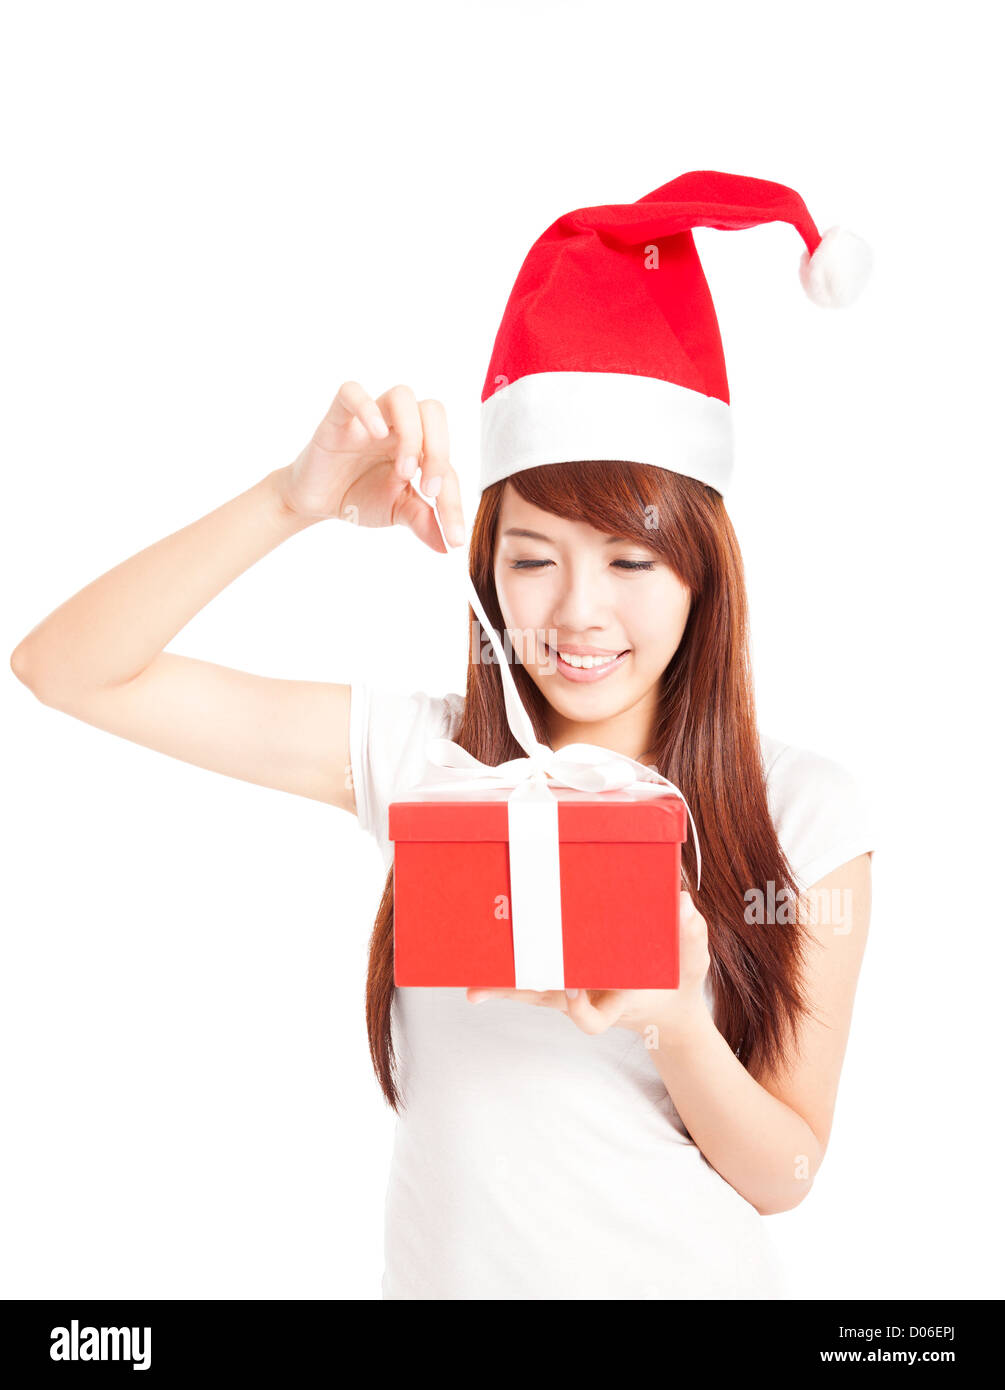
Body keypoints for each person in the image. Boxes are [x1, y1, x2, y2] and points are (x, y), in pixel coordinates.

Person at [11, 170, 878, 1301]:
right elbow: (66, 668)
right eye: (533, 558)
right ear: (484, 564)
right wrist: (294, 498)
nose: (577, 613)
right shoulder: (421, 766)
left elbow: (785, 1171)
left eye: (630, 560)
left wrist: (675, 1020)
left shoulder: (803, 807)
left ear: (702, 572)